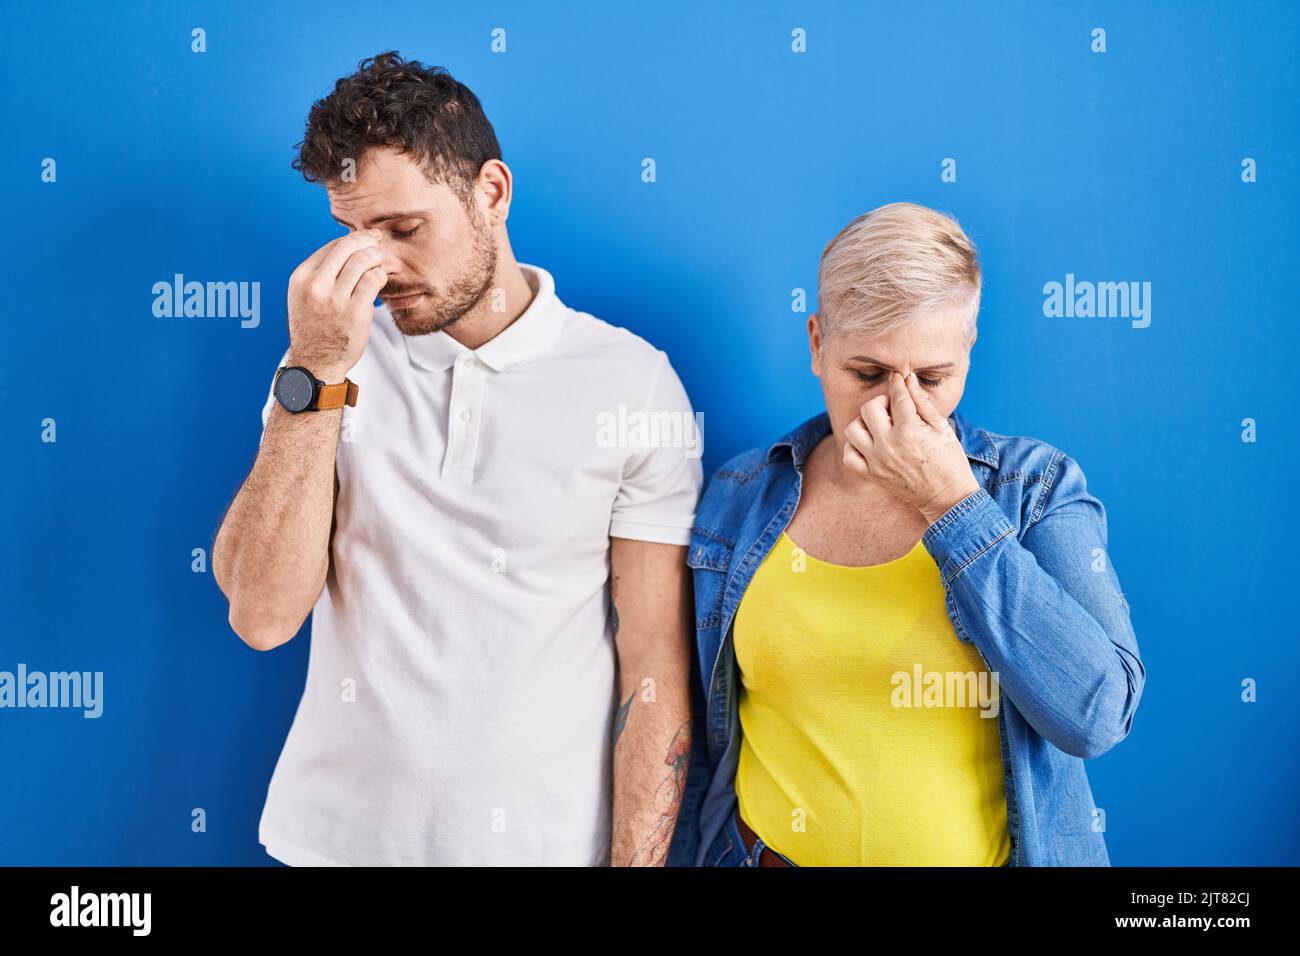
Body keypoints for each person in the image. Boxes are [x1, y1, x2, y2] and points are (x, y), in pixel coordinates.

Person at [213, 52, 702, 866]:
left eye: (405, 230)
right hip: (332, 844)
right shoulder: (328, 361)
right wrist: (318, 371)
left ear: (492, 193)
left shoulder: (632, 383)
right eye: (351, 235)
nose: (379, 270)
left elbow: (655, 665)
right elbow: (262, 617)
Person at [668, 202, 1145, 867]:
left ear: (967, 355)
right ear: (816, 344)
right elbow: (692, 728)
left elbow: (1095, 715)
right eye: (866, 374)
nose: (898, 405)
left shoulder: (1036, 488)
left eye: (931, 378)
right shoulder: (739, 497)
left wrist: (952, 508)